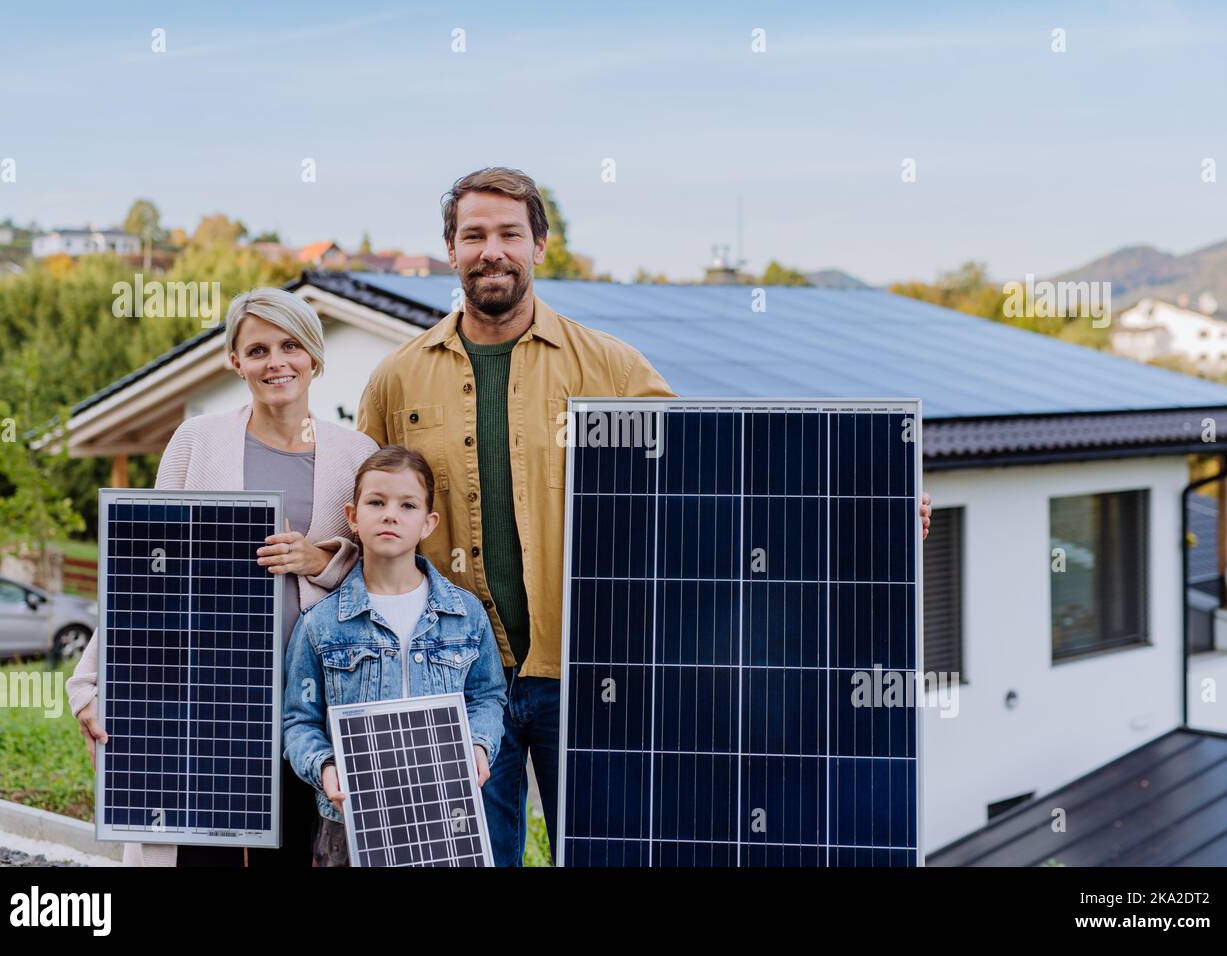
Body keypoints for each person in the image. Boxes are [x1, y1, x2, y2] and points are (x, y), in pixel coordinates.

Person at [357, 166, 935, 865]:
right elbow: (360, 505)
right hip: (447, 674)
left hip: (590, 672)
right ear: (450, 251)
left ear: (540, 245)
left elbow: (708, 485)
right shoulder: (396, 378)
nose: (493, 251)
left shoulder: (613, 369)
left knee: (611, 852)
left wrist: (869, 511)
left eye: (510, 233)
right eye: (473, 235)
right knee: (461, 860)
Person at [66, 287, 379, 867]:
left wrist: (323, 561)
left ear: (314, 357)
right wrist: (92, 683)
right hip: (205, 686)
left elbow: (386, 571)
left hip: (307, 698)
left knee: (290, 848)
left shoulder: (356, 454)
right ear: (235, 361)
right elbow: (145, 571)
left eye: (291, 346)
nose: (276, 362)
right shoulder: (198, 439)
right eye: (257, 349)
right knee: (197, 847)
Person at [281, 446, 506, 866]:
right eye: (376, 502)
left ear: (428, 523)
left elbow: (488, 698)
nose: (390, 515)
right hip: (347, 822)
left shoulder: (466, 615)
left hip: (444, 810)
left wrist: (477, 746)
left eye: (408, 505)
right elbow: (298, 720)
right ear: (353, 516)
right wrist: (325, 767)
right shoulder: (320, 624)